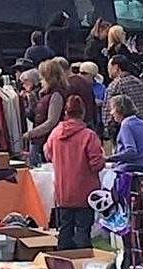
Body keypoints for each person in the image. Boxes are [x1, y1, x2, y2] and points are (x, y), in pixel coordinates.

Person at [44, 95, 105, 250]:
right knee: (83, 231)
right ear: (82, 113)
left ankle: (63, 264)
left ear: (66, 112)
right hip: (85, 192)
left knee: (65, 230)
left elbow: (48, 154)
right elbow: (97, 164)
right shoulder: (89, 136)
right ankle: (83, 264)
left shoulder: (55, 134)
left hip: (63, 191)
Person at [23, 58, 69, 163]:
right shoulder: (47, 94)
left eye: (42, 77)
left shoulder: (56, 95)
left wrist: (31, 133)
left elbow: (52, 121)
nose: (40, 80)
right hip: (41, 140)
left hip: (46, 140)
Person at [104, 55, 143, 130]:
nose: (108, 70)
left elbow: (108, 109)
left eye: (109, 67)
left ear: (116, 67)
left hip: (124, 127)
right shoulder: (139, 82)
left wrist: (108, 126)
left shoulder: (115, 85)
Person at [108, 94, 143, 172]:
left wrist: (109, 158)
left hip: (128, 170)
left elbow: (131, 151)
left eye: (112, 109)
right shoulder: (142, 123)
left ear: (119, 110)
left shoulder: (126, 124)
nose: (111, 113)